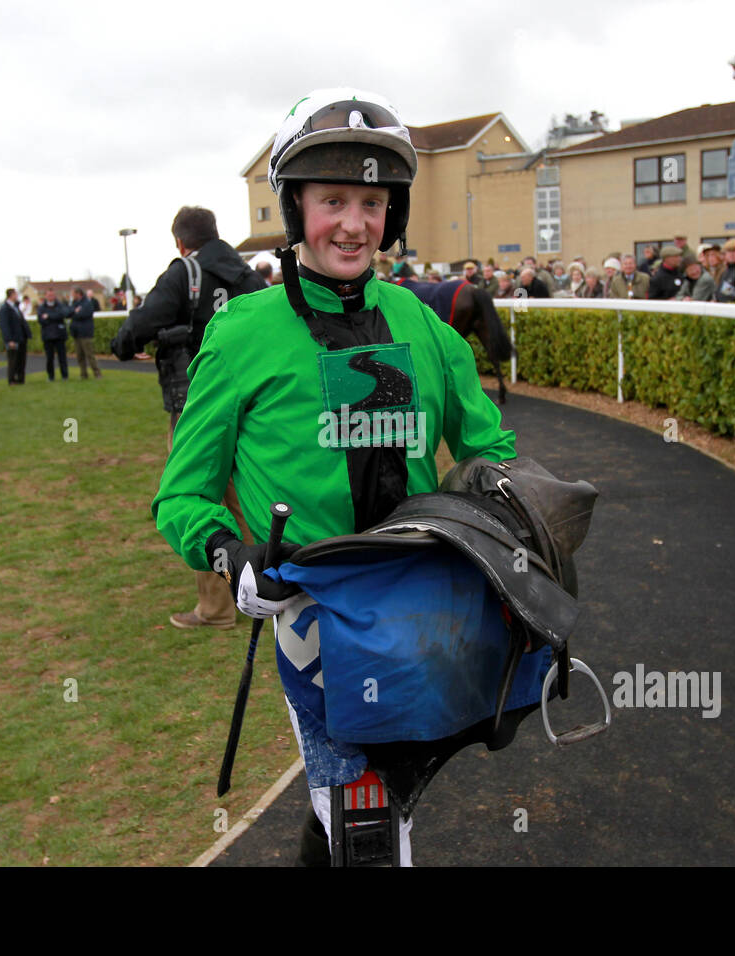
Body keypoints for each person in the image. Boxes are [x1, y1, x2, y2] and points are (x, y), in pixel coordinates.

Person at [152, 89, 515, 866]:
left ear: (395, 212)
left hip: (426, 617)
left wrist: (507, 505)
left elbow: (491, 454)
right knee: (374, 831)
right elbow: (183, 492)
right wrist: (228, 553)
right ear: (294, 208)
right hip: (317, 619)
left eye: (373, 202)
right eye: (333, 200)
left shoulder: (424, 324)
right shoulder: (240, 332)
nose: (354, 223)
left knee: (364, 812)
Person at [112, 205, 266, 628]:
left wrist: (127, 344)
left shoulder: (184, 272)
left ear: (180, 242)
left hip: (198, 405)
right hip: (253, 404)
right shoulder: (249, 276)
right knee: (243, 502)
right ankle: (258, 592)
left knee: (198, 501)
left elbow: (137, 327)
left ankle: (216, 608)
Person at [0, 288, 30, 385]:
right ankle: (11, 379)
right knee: (13, 360)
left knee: (21, 359)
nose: (17, 296)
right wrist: (9, 340)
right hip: (13, 338)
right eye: (15, 294)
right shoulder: (5, 308)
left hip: (21, 337)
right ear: (11, 295)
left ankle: (21, 379)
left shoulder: (16, 307)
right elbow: (4, 325)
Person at [37, 290, 70, 380]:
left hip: (59, 335)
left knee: (62, 357)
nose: (51, 297)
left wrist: (49, 316)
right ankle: (51, 376)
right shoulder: (41, 307)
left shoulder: (60, 305)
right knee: (49, 358)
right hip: (47, 336)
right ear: (46, 296)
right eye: (49, 295)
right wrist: (53, 317)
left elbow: (62, 315)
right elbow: (41, 320)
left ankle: (65, 375)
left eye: (52, 295)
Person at [69, 287, 100, 379]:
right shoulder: (74, 303)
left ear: (78, 293)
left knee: (89, 355)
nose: (72, 295)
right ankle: (83, 374)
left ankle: (97, 373)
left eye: (73, 293)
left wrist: (75, 313)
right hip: (76, 333)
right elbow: (68, 312)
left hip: (85, 333)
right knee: (79, 356)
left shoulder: (87, 303)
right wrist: (75, 312)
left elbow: (83, 314)